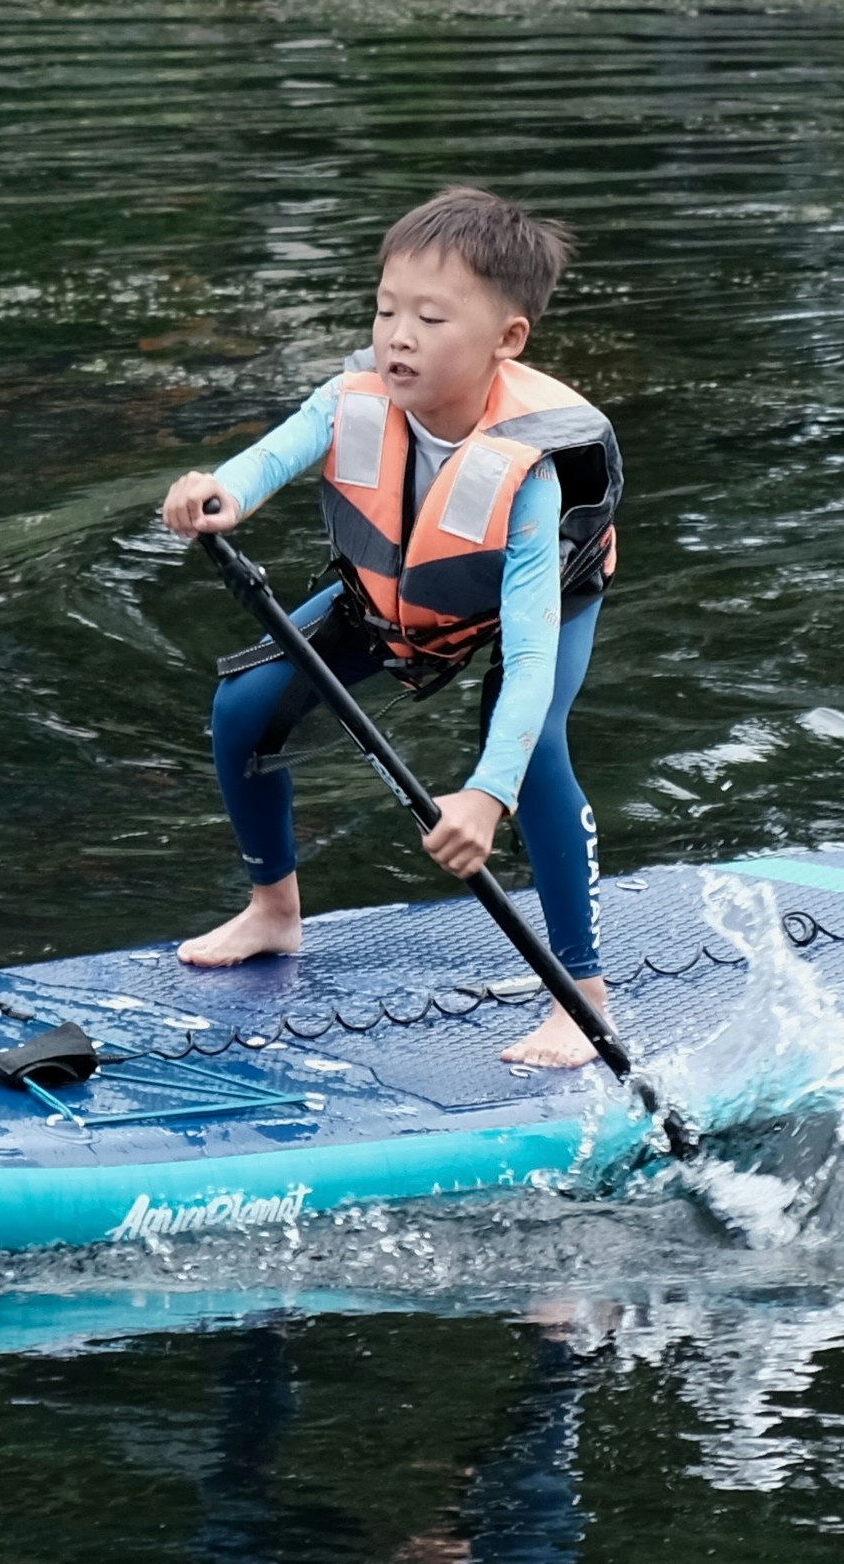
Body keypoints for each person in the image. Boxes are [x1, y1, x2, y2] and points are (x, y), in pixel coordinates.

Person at [158, 188, 623, 1069]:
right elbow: (264, 461)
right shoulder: (353, 399)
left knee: (531, 745)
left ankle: (582, 993)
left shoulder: (528, 475)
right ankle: (273, 911)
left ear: (506, 341)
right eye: (385, 309)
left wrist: (484, 794)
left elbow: (526, 657)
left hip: (537, 602)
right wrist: (212, 493)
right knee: (243, 705)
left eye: (430, 316)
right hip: (401, 595)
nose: (396, 333)